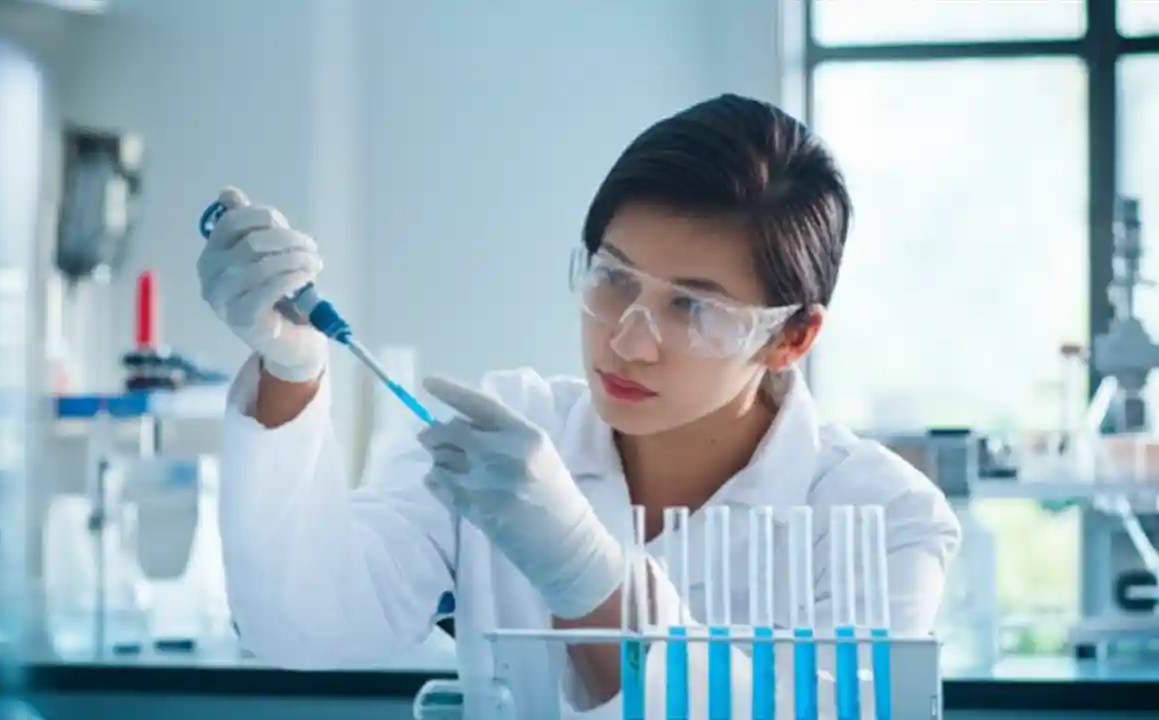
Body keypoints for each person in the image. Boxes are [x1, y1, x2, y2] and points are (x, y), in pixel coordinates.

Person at [198, 93, 961, 718]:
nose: (628, 341)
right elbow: (300, 621)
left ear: (793, 336)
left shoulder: (884, 519)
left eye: (693, 309)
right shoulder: (509, 433)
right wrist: (289, 370)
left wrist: (584, 572)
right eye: (614, 279)